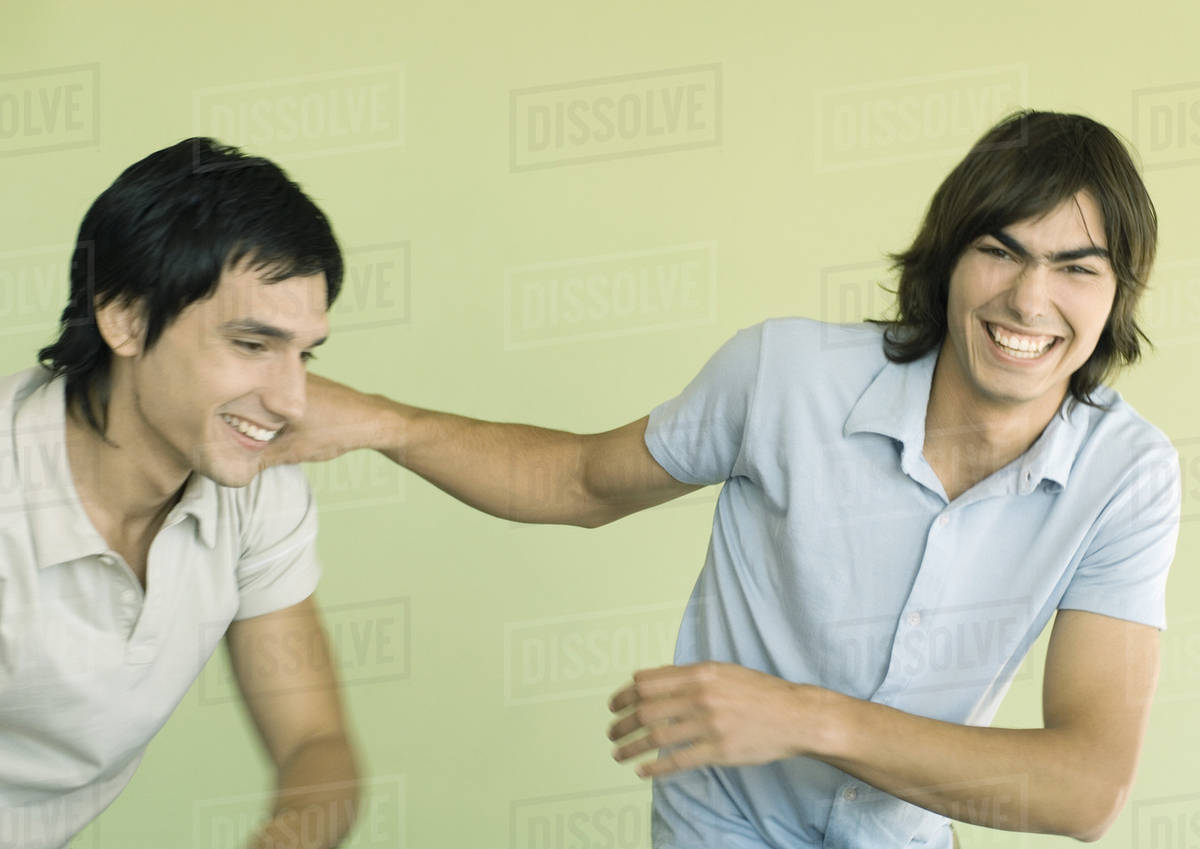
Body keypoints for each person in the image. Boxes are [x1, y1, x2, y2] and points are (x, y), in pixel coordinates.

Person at [263, 110, 1180, 847]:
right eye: (1002, 250)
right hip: (721, 822)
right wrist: (386, 423)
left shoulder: (1128, 475)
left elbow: (1084, 790)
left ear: (1117, 293)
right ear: (950, 257)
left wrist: (806, 717)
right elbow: (583, 480)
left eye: (1074, 267)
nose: (1028, 298)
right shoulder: (784, 375)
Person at [0, 138, 359, 849]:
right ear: (125, 318)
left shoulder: (254, 485)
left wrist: (289, 835)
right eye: (253, 345)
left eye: (305, 353)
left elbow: (315, 740)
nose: (292, 400)